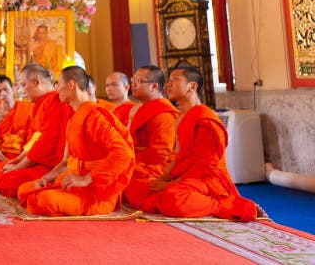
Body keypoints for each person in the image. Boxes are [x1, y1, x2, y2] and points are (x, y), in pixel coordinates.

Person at [126, 65, 258, 220]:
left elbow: (206, 165)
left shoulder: (205, 118)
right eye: (168, 81)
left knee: (174, 197)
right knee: (136, 187)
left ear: (192, 86)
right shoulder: (181, 118)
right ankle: (172, 198)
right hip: (185, 176)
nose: (168, 85)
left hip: (209, 178)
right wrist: (162, 179)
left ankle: (224, 204)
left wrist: (170, 184)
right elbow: (178, 158)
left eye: (175, 80)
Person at [17, 66, 135, 216]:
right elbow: (66, 162)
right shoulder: (73, 120)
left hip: (96, 191)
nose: (57, 90)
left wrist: (86, 179)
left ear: (71, 85)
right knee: (25, 191)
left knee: (43, 200)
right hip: (74, 180)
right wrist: (46, 178)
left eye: (58, 84)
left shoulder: (95, 117)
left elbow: (123, 154)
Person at [0, 63, 72, 198]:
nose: (22, 91)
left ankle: (52, 183)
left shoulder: (54, 102)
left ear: (37, 82)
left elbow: (45, 144)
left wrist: (20, 166)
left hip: (51, 165)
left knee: (5, 183)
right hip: (37, 160)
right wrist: (19, 160)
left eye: (24, 85)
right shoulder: (42, 103)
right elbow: (34, 138)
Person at [122, 65, 179, 206]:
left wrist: (127, 162)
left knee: (130, 182)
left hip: (156, 167)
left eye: (139, 81)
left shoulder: (164, 114)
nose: (133, 85)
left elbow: (160, 154)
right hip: (138, 161)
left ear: (154, 86)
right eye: (133, 80)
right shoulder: (139, 109)